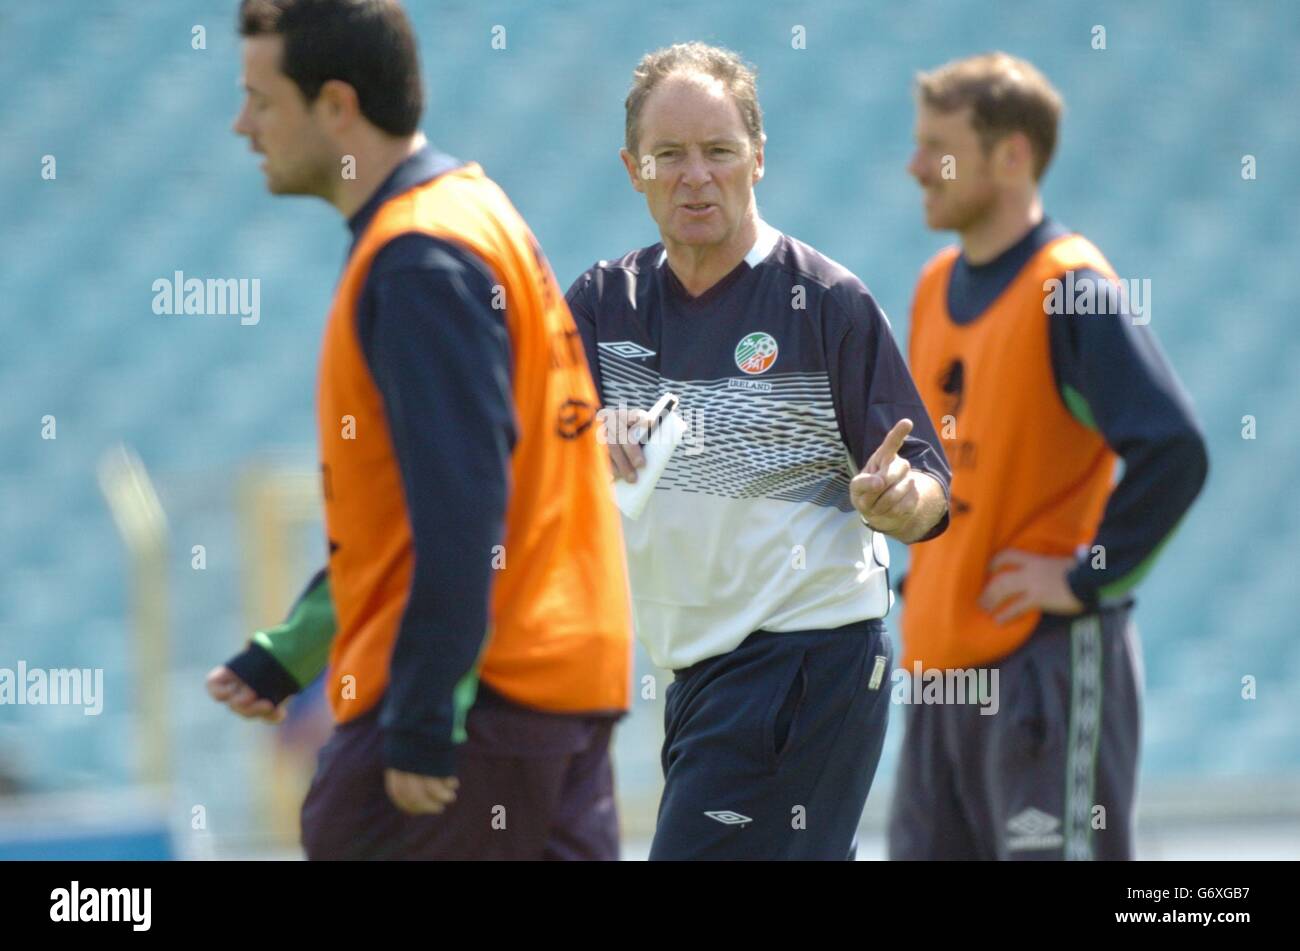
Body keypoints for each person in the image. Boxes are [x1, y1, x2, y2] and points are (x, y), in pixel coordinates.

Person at [206, 0, 632, 860]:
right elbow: (419, 508)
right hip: (556, 690)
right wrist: (293, 652)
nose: (242, 124)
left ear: (336, 106)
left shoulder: (417, 258)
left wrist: (427, 711)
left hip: (479, 711)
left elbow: (465, 504)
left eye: (261, 98)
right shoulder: (472, 215)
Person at [568, 42, 951, 860]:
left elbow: (929, 487)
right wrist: (585, 436)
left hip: (807, 659)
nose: (693, 175)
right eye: (668, 154)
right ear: (634, 167)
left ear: (759, 160)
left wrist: (898, 500)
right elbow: (532, 448)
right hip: (697, 674)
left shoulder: (827, 301)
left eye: (718, 151)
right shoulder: (602, 303)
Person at [889, 52, 1209, 860]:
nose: (916, 165)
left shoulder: (1070, 286)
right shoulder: (934, 284)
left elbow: (1175, 450)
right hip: (940, 678)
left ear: (1012, 154)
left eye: (939, 146)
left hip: (1040, 673)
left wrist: (1082, 577)